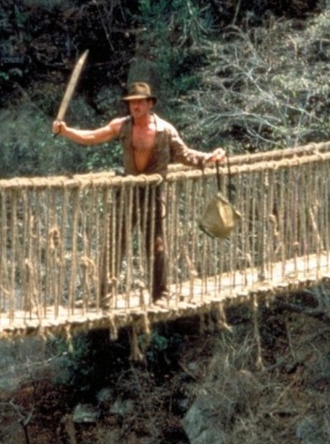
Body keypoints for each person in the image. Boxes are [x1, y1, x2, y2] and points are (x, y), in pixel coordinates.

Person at [52, 81, 226, 307]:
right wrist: (66, 131)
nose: (135, 106)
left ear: (150, 104)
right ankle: (104, 296)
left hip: (153, 192)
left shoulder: (165, 130)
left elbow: (183, 154)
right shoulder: (121, 126)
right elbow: (92, 137)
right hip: (128, 191)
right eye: (132, 102)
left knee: (156, 244)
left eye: (140, 102)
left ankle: (160, 295)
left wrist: (208, 158)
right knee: (114, 243)